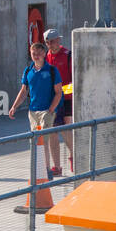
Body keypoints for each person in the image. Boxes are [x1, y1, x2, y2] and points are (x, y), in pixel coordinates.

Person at [7, 42, 63, 176]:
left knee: (45, 139)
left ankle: (47, 170)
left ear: (44, 54)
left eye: (39, 53)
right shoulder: (28, 71)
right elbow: (23, 91)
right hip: (33, 112)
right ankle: (40, 170)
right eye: (34, 54)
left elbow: (58, 92)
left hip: (46, 112)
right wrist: (14, 106)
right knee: (37, 141)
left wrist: (51, 110)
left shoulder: (52, 70)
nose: (36, 56)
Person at [43, 29, 74, 171]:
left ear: (59, 40)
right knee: (52, 132)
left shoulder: (68, 55)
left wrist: (62, 92)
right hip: (51, 100)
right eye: (47, 42)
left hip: (67, 99)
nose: (50, 44)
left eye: (53, 41)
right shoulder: (45, 57)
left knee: (66, 129)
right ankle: (56, 166)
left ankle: (74, 156)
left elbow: (76, 81)